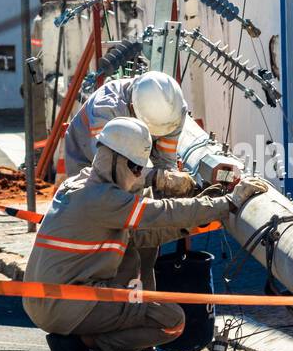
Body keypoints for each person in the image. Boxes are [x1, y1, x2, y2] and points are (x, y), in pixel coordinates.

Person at [24, 116, 268, 351]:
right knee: (170, 318)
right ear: (114, 160)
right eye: (135, 167)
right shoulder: (103, 199)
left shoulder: (81, 184)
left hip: (50, 299)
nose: (138, 174)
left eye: (142, 169)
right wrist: (227, 203)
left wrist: (193, 220)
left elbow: (144, 235)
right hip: (64, 304)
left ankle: (86, 347)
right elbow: (162, 212)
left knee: (130, 255)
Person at [63, 71, 202, 289]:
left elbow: (165, 160)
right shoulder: (106, 109)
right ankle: (103, 294)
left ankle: (141, 294)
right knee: (107, 230)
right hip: (88, 161)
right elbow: (109, 169)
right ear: (133, 108)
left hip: (139, 159)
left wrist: (173, 185)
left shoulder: (173, 111)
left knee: (144, 228)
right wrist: (160, 178)